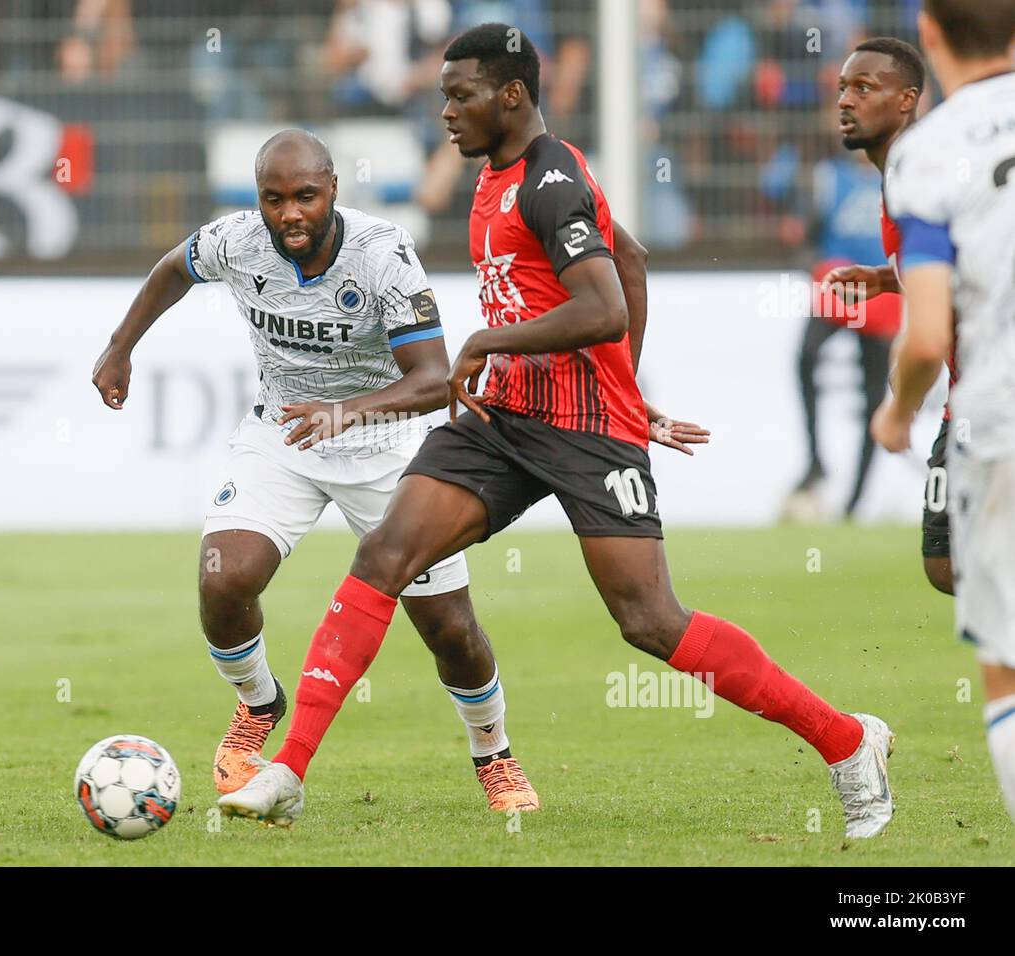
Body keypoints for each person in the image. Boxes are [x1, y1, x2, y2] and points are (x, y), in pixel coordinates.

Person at [219, 23, 893, 839]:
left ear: (511, 96)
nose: (446, 113)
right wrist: (622, 378)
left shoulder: (548, 180)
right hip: (503, 418)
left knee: (650, 621)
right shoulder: (494, 175)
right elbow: (632, 257)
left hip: (583, 430)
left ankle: (850, 742)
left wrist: (542, 359)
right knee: (384, 554)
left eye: (460, 95)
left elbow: (605, 300)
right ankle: (289, 769)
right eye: (443, 97)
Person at [92, 128, 544, 812]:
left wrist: (348, 412)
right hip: (283, 434)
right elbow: (172, 270)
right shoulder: (236, 241)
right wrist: (120, 346)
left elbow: (432, 381)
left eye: (305, 196)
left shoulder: (382, 253)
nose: (290, 214)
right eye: (274, 199)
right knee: (224, 579)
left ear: (333, 188)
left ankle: (494, 753)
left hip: (388, 445)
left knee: (450, 629)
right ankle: (257, 703)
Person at [872, 0, 1015, 821]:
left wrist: (897, 413)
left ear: (929, 35)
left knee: (1005, 660)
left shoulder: (927, 155)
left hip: (995, 422)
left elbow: (928, 337)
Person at [785, 37, 921, 521]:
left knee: (871, 394)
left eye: (861, 89)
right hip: (850, 281)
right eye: (843, 90)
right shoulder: (831, 173)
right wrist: (817, 269)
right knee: (804, 358)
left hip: (888, 293)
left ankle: (855, 501)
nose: (846, 102)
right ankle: (816, 460)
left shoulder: (913, 171)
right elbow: (810, 235)